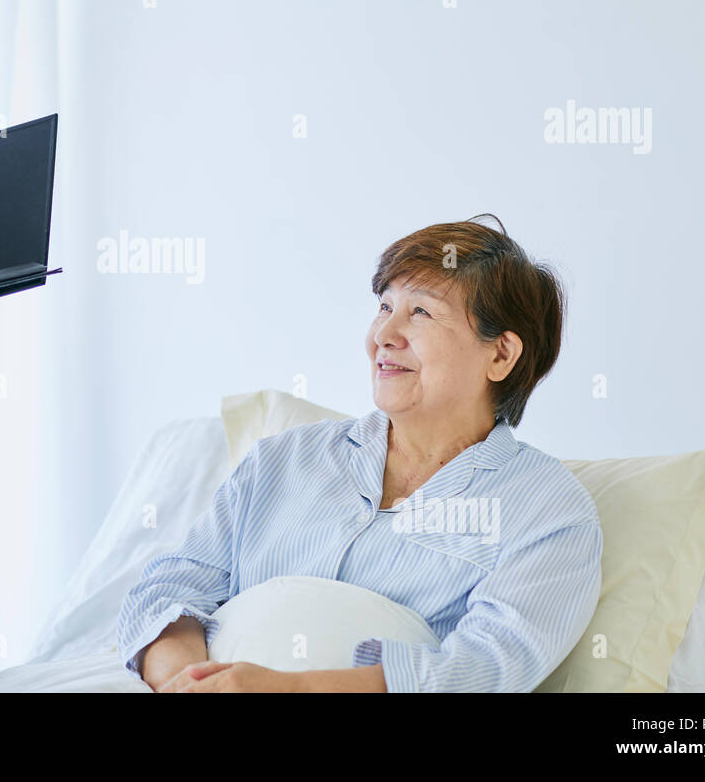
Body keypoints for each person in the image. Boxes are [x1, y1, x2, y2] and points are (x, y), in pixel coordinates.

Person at [117, 215, 603, 692]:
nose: (383, 336)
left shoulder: (548, 512)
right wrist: (187, 685)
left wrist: (291, 689)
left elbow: (485, 668)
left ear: (500, 355)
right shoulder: (280, 461)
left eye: (421, 312)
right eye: (384, 307)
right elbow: (165, 593)